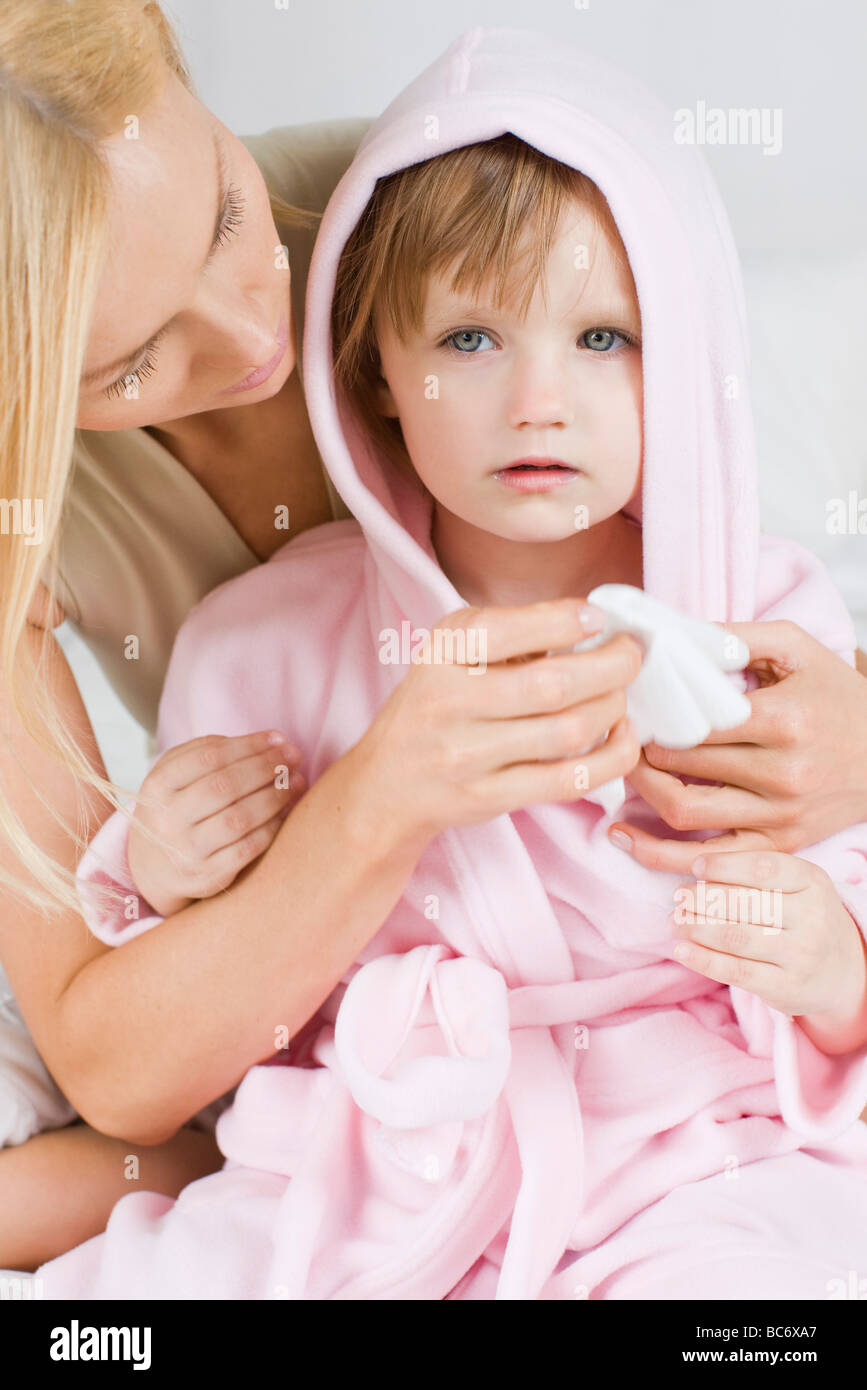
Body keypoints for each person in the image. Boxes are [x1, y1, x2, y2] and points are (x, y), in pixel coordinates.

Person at [1, 2, 865, 1270]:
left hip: (660, 1119)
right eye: (125, 362)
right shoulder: (240, 637)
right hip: (367, 1086)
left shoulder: (435, 197)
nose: (256, 338)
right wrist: (256, 832)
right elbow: (119, 999)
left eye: (226, 221)